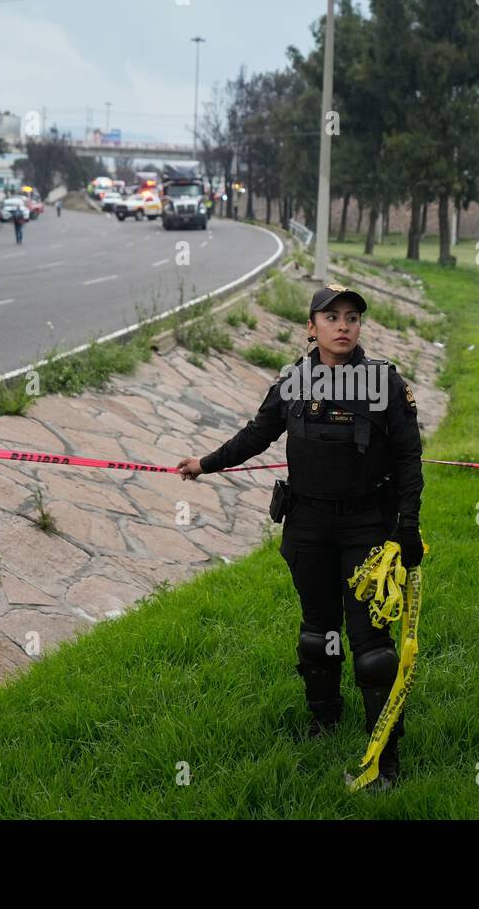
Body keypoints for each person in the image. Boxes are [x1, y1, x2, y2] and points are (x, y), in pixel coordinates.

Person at [176, 283, 425, 787]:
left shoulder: (386, 385)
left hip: (366, 528)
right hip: (307, 523)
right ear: (311, 328)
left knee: (372, 646)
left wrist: (408, 526)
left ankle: (386, 756)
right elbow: (257, 434)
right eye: (331, 317)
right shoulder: (293, 381)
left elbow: (407, 460)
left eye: (352, 317)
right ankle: (324, 717)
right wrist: (205, 464)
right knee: (318, 632)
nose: (343, 325)